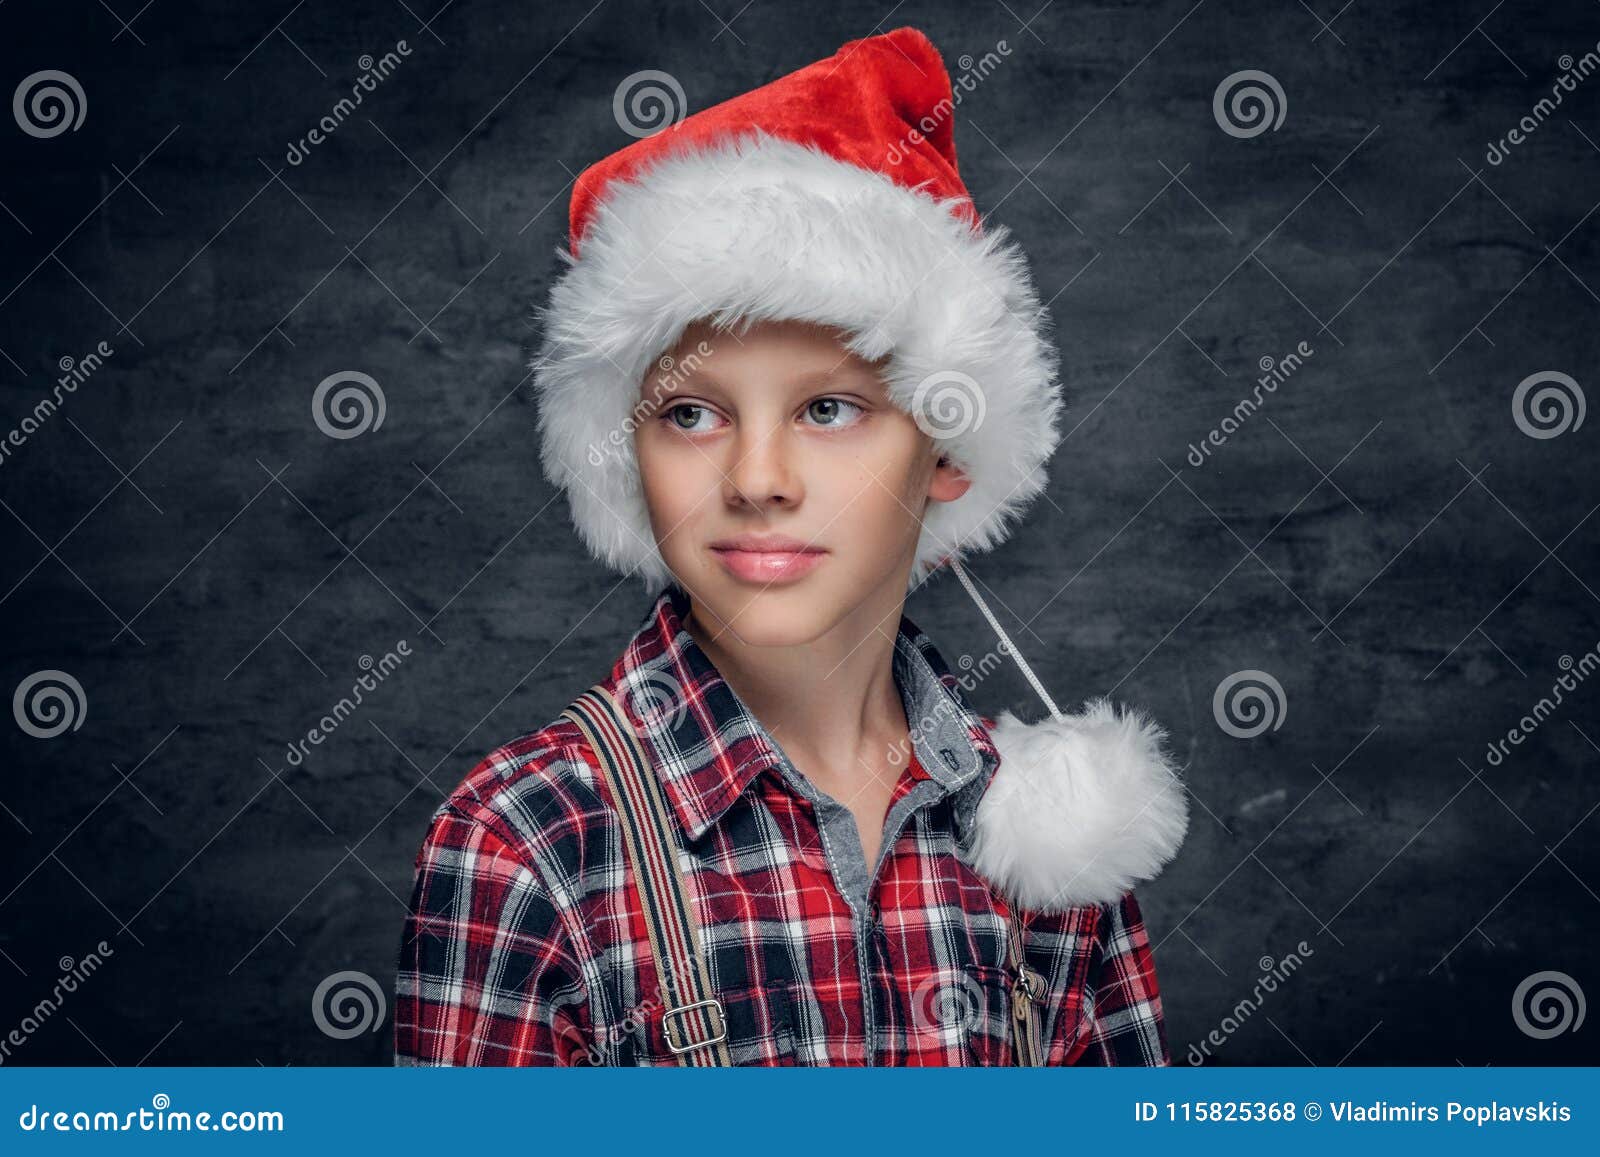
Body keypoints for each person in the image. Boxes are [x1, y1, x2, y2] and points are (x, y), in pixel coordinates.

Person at [394, 25, 1188, 1066]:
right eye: (688, 415)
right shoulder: (528, 842)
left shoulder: (1044, 838)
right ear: (621, 455)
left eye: (828, 409)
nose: (756, 478)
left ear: (947, 448)